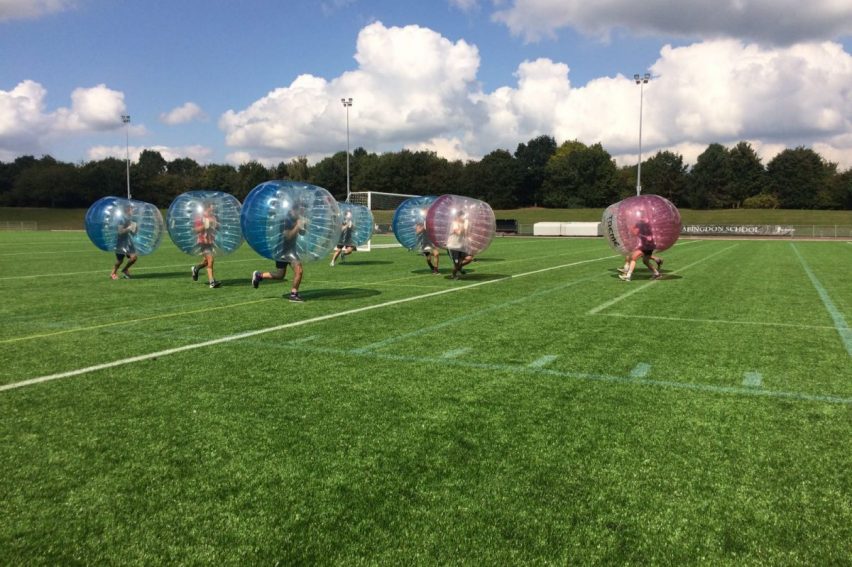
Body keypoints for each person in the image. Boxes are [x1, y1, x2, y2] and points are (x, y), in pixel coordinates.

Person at [251, 203, 305, 302]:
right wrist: (298, 226)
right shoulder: (286, 221)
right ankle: (293, 294)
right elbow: (288, 236)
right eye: (299, 210)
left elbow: (302, 233)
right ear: (293, 210)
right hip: (283, 250)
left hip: (290, 249)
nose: (301, 212)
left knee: (280, 275)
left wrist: (303, 226)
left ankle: (259, 275)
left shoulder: (297, 219)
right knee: (299, 271)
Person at [191, 202, 222, 288]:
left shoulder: (213, 217)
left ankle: (196, 268)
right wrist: (205, 226)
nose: (213, 208)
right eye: (212, 207)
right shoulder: (200, 218)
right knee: (211, 260)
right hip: (202, 242)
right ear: (207, 208)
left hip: (211, 242)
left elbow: (217, 228)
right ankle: (212, 282)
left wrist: (216, 225)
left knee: (206, 262)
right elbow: (196, 230)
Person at [111, 204, 138, 280]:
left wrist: (135, 228)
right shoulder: (121, 219)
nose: (133, 211)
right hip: (120, 242)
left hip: (128, 241)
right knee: (120, 260)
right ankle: (113, 273)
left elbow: (133, 233)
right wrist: (129, 228)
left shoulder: (132, 220)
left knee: (134, 258)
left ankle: (125, 269)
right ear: (127, 210)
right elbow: (120, 232)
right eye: (131, 209)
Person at [446, 209, 473, 280]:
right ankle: (453, 274)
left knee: (469, 258)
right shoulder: (454, 223)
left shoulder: (464, 223)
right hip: (453, 247)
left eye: (464, 216)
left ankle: (459, 267)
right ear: (458, 217)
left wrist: (467, 226)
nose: (464, 218)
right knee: (456, 264)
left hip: (461, 246)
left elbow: (466, 234)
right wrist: (464, 226)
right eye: (462, 216)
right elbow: (458, 233)